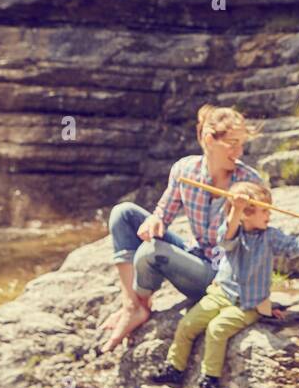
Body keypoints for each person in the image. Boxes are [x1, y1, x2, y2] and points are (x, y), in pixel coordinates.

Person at [100, 105, 267, 354]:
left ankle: (138, 307)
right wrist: (155, 221)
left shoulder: (249, 182)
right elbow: (162, 213)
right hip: (196, 256)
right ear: (209, 140)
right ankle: (132, 306)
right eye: (232, 143)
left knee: (151, 252)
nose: (239, 151)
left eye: (241, 144)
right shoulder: (184, 170)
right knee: (123, 213)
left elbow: (259, 243)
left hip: (220, 277)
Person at [149, 182, 299, 388]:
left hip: (250, 304)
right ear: (245, 214)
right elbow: (225, 240)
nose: (268, 214)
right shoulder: (234, 232)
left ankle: (210, 381)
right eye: (264, 210)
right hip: (221, 293)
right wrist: (236, 209)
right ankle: (175, 368)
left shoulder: (269, 236)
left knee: (217, 329)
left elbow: (298, 245)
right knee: (187, 324)